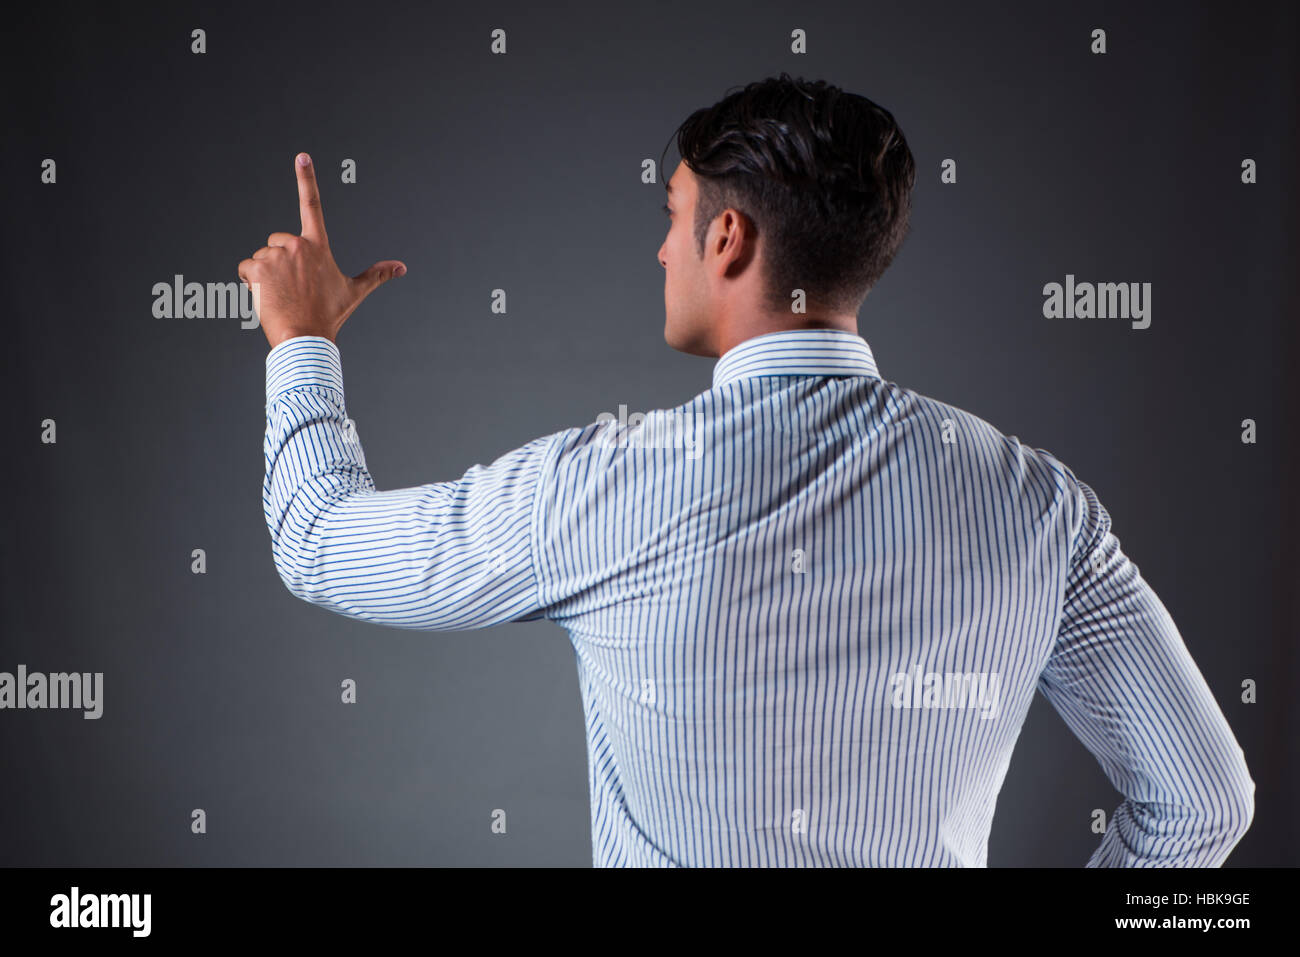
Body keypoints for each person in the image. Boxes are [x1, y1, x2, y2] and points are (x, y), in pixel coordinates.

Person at [238, 74, 1255, 867]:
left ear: (727, 238)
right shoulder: (1036, 501)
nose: (659, 251)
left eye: (671, 216)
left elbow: (319, 542)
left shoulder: (604, 487)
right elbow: (1203, 800)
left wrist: (300, 339)